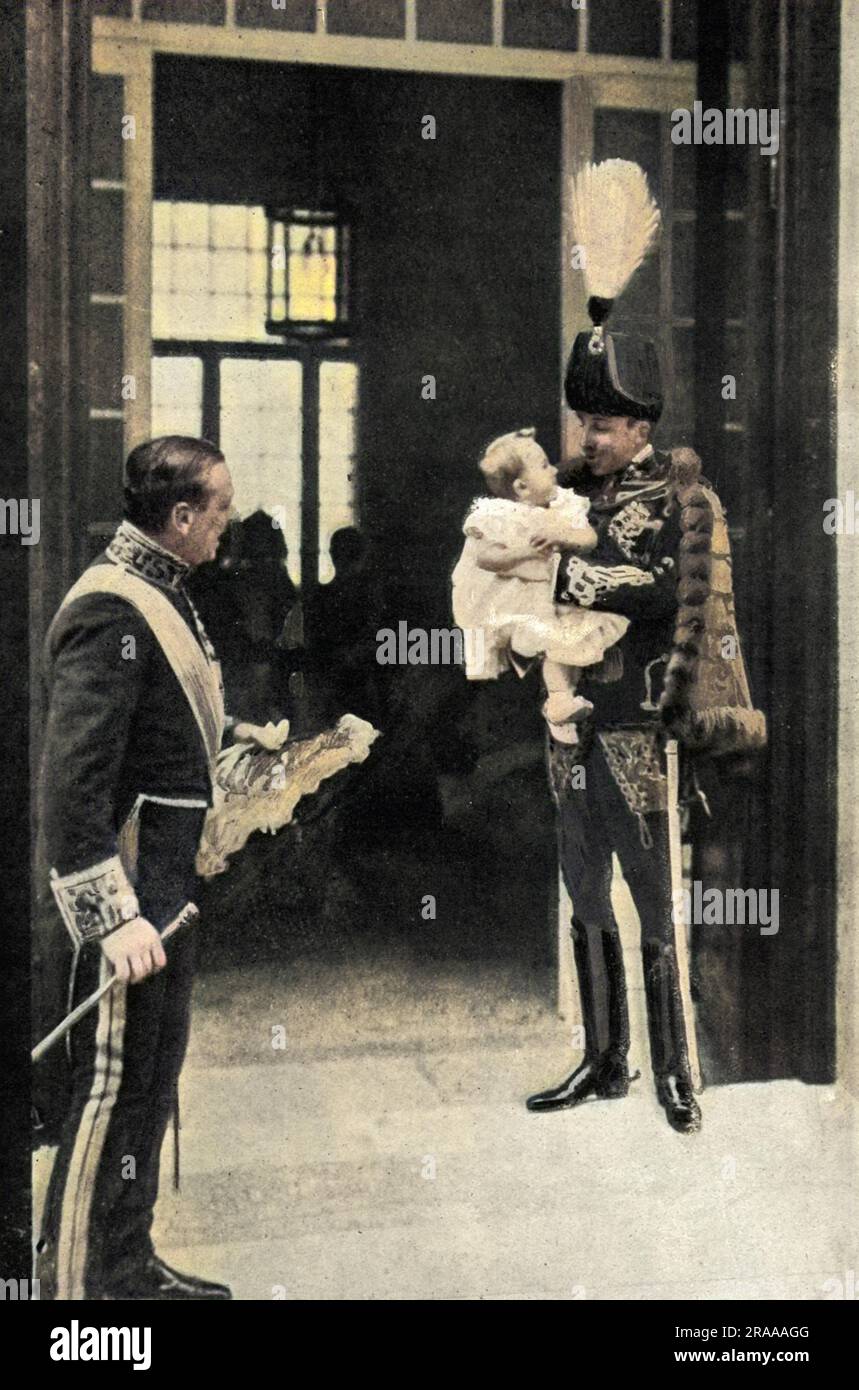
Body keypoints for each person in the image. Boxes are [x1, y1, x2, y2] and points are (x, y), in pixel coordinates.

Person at [34, 435, 281, 1300]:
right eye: (219, 510)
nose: (228, 525)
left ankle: (126, 1267)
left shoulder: (159, 588)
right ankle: (70, 1298)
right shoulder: (110, 608)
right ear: (181, 518)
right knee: (104, 1103)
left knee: (149, 1084)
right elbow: (74, 789)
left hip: (169, 895)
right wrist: (114, 917)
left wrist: (228, 735)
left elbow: (156, 732)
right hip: (130, 901)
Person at [525, 318, 765, 1134]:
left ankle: (674, 1072)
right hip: (572, 725)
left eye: (601, 425)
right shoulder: (564, 495)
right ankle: (602, 1059)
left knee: (655, 899)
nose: (587, 437)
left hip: (640, 724)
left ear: (638, 426)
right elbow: (525, 590)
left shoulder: (682, 501)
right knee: (583, 889)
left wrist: (570, 576)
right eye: (583, 423)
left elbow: (666, 595)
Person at [452, 428, 629, 743]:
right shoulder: (498, 515)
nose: (554, 471)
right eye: (545, 466)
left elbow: (588, 537)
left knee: (568, 642)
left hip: (556, 593)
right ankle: (560, 702)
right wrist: (525, 551)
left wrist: (563, 536)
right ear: (521, 487)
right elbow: (486, 557)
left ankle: (560, 708)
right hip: (519, 600)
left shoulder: (562, 507)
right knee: (554, 645)